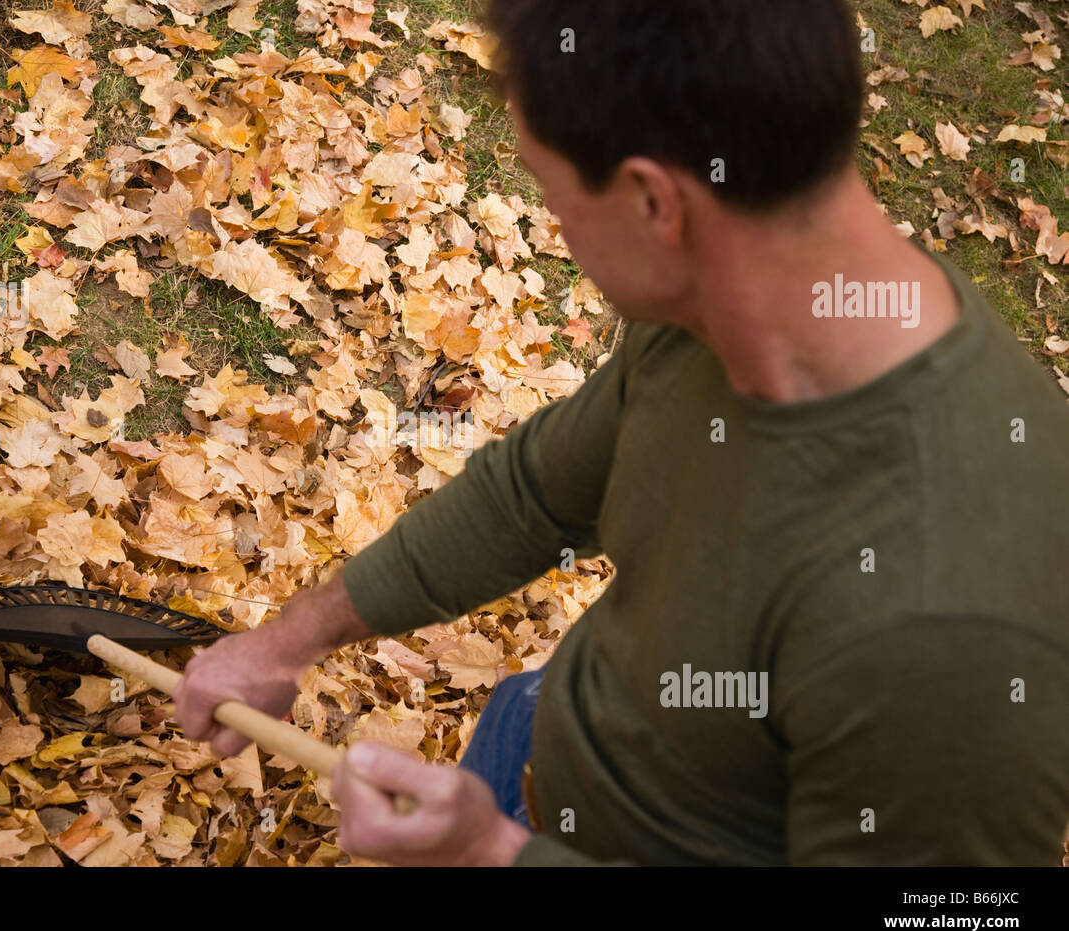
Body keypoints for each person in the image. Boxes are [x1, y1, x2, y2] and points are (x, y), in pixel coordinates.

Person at [175, 0, 1069, 865]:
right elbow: (537, 494)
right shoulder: (734, 298)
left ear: (653, 204)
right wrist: (286, 640)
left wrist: (493, 855)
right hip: (549, 744)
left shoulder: (949, 632)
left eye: (552, 194)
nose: (557, 228)